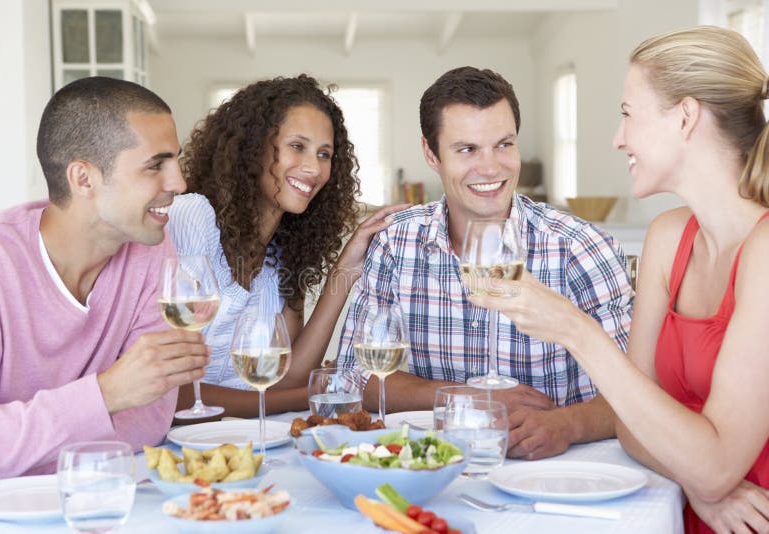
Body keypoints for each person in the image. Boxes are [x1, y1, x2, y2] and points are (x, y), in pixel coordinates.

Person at [464, 27, 769, 534]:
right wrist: (697, 485)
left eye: (628, 113)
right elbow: (630, 424)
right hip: (683, 509)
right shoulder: (668, 238)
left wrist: (575, 329)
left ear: (686, 117)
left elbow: (718, 466)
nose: (618, 137)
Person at [337, 66, 633, 460]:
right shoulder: (396, 242)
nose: (491, 167)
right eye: (467, 149)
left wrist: (569, 424)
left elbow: (642, 392)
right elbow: (355, 378)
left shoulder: (580, 246)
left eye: (503, 144)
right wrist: (467, 397)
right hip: (436, 466)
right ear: (431, 153)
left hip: (561, 470)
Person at [0, 77, 209, 484]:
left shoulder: (151, 249)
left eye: (176, 161)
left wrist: (13, 451)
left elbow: (150, 421)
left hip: (98, 502)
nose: (179, 183)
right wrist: (106, 395)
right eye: (156, 164)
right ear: (83, 179)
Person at [168, 74, 406, 418]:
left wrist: (344, 271)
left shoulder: (285, 253)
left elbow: (289, 377)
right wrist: (308, 396)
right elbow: (173, 396)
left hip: (243, 442)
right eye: (297, 146)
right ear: (252, 147)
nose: (313, 168)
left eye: (324, 154)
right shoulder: (192, 218)